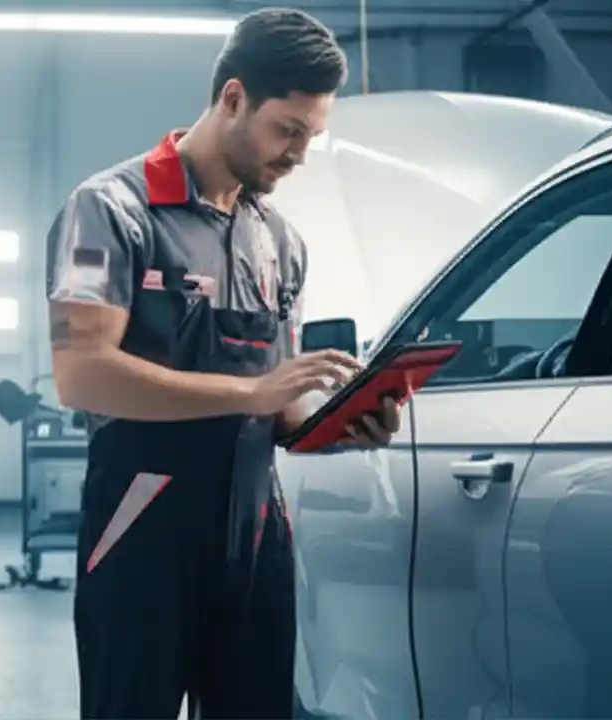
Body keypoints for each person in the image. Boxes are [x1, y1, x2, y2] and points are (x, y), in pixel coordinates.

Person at [45, 7, 400, 718]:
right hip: (142, 526)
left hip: (255, 530)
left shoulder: (281, 242)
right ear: (233, 98)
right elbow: (81, 374)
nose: (298, 154)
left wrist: (336, 424)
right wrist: (253, 391)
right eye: (287, 129)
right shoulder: (114, 210)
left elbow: (279, 408)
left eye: (312, 136)